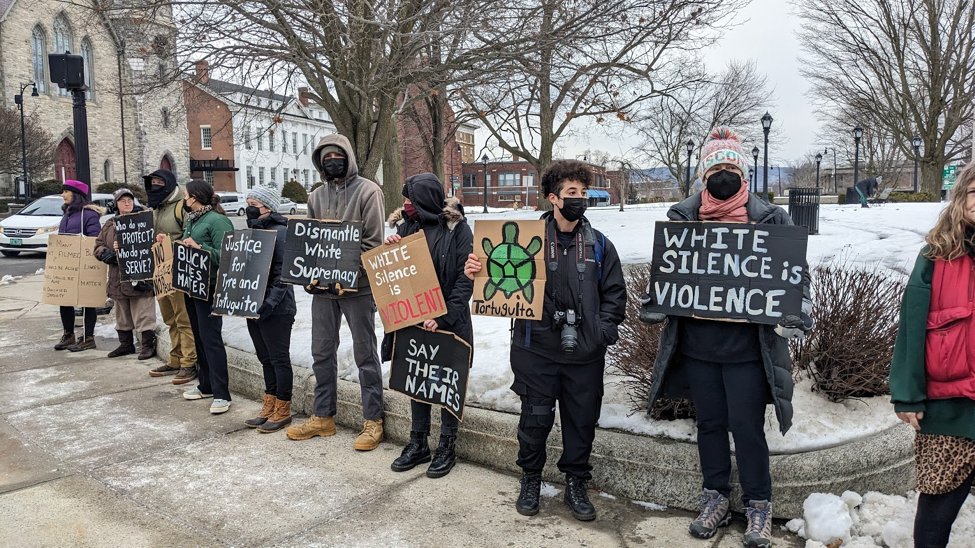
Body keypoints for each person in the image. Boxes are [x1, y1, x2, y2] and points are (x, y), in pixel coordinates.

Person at [640, 127, 813, 548]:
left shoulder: (772, 219)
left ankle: (758, 505)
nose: (723, 174)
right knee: (711, 425)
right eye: (715, 167)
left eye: (730, 167)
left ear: (744, 175)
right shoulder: (683, 219)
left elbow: (796, 278)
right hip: (698, 347)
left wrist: (798, 312)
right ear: (703, 175)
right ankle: (714, 497)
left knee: (747, 427)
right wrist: (655, 301)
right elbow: (666, 277)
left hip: (749, 351)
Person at [464, 160, 627, 521]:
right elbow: (495, 277)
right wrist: (477, 271)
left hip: (585, 354)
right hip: (535, 349)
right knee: (534, 421)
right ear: (553, 198)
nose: (580, 200)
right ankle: (531, 478)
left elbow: (615, 294)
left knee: (581, 423)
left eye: (583, 193)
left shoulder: (599, 244)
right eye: (572, 194)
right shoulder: (528, 239)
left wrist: (601, 332)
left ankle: (576, 483)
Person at [890, 163, 975, 548]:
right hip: (949, 408)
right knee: (936, 512)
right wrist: (907, 393)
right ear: (960, 199)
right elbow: (911, 326)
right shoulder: (936, 254)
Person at [286, 134, 386, 451]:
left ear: (347, 157)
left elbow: (373, 243)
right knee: (321, 352)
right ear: (320, 162)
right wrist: (309, 273)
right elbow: (310, 240)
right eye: (326, 157)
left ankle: (374, 419)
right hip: (323, 289)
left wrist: (348, 272)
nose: (332, 161)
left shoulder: (369, 192)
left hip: (358, 287)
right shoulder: (316, 196)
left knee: (365, 353)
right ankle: (323, 415)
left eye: (337, 156)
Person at [384, 173, 473, 478]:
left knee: (447, 383)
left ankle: (447, 446)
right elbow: (398, 276)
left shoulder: (458, 228)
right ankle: (418, 442)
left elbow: (465, 280)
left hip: (450, 322)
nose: (405, 205)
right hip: (415, 321)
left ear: (423, 200)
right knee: (417, 380)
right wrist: (391, 248)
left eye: (410, 199)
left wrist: (444, 316)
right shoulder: (408, 226)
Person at [241, 186, 297, 433]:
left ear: (268, 207)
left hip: (277, 308)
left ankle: (283, 407)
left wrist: (269, 304)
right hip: (252, 304)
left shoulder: (281, 232)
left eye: (254, 203)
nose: (250, 208)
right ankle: (269, 402)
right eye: (248, 203)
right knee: (264, 358)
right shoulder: (252, 231)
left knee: (278, 358)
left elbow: (283, 274)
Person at [179, 180, 235, 414]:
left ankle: (222, 393)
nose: (184, 199)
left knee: (211, 339)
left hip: (210, 287)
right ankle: (206, 384)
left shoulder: (217, 220)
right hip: (193, 285)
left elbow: (230, 254)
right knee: (199, 337)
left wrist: (202, 249)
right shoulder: (193, 220)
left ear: (195, 197)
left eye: (186, 195)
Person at [143, 169, 198, 384]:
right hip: (160, 271)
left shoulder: (180, 207)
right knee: (169, 319)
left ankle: (188, 363)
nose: (155, 186)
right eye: (152, 182)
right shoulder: (155, 208)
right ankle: (175, 359)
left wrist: (168, 243)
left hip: (178, 270)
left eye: (159, 182)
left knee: (183, 319)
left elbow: (190, 237)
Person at [93, 188, 157, 359]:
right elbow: (97, 245)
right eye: (123, 201)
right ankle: (126, 345)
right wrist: (107, 252)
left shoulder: (144, 220)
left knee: (143, 313)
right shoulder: (109, 224)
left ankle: (146, 346)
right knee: (122, 315)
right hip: (117, 277)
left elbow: (152, 243)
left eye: (129, 200)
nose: (127, 203)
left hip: (140, 274)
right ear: (116, 204)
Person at [54, 179, 103, 352]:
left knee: (87, 300)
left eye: (66, 192)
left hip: (84, 263)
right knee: (64, 298)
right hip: (67, 264)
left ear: (75, 195)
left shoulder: (88, 215)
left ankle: (88, 337)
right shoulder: (67, 213)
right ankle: (69, 334)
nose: (62, 195)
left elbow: (95, 239)